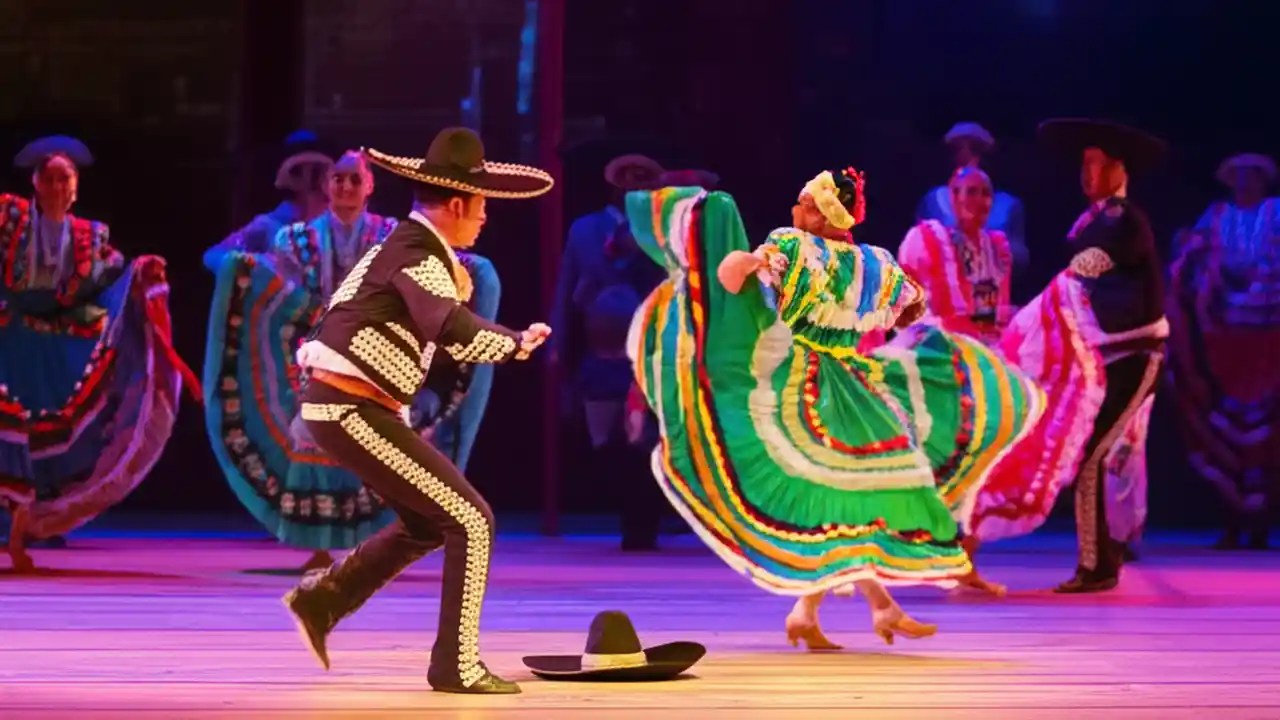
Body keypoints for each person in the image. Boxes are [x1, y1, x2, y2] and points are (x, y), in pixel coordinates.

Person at [628, 167, 1040, 650]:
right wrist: (868, 312)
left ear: (824, 213)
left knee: (842, 498)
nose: (794, 211)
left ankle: (818, 611)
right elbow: (911, 306)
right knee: (851, 496)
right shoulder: (874, 262)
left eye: (803, 203)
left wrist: (740, 266)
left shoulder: (792, 246)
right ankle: (872, 608)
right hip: (852, 381)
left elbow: (730, 277)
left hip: (804, 382)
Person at [281, 127, 554, 694]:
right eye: (481, 206)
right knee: (473, 521)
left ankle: (325, 599)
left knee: (430, 522)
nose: (484, 218)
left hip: (352, 407)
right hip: (348, 406)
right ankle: (455, 664)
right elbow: (450, 329)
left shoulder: (415, 248)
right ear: (457, 203)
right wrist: (514, 343)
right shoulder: (415, 251)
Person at [973, 119, 1169, 594]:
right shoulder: (1094, 220)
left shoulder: (1122, 219)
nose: (1087, 173)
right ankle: (1103, 560)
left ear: (1118, 169)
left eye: (1096, 164)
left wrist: (1025, 321)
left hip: (1134, 353)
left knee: (1096, 455)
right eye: (1083, 165)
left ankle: (1099, 565)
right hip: (1104, 355)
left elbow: (1080, 275)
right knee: (1095, 454)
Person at [0, 135, 198, 572]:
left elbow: (115, 284)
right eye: (48, 178)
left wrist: (145, 272)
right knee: (11, 428)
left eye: (64, 179)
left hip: (60, 348)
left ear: (76, 189)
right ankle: (12, 527)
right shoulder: (10, 218)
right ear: (34, 183)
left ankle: (40, 523)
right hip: (13, 342)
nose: (56, 187)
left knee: (50, 436)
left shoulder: (91, 237)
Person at [203, 150, 399, 571]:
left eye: (353, 179)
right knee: (316, 441)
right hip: (315, 355)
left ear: (370, 186)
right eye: (337, 179)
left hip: (370, 356)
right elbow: (269, 280)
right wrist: (245, 269)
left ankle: (357, 541)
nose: (344, 187)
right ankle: (322, 544)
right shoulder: (293, 237)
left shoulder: (389, 237)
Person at [551, 153, 668, 549]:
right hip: (601, 354)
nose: (633, 189)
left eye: (642, 183)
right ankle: (625, 514)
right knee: (605, 443)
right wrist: (556, 346)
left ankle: (643, 528)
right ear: (613, 187)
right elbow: (566, 287)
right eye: (626, 183)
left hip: (650, 357)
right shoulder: (585, 231)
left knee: (647, 441)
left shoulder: (663, 233)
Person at [1168, 152, 1280, 549]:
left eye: (1253, 176)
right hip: (1223, 343)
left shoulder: (1276, 212)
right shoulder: (1216, 216)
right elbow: (1189, 261)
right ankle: (1233, 519)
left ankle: (1262, 522)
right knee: (1224, 428)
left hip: (1269, 342)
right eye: (1239, 176)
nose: (1245, 182)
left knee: (1267, 434)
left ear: (1264, 181)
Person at [899, 166, 1015, 345]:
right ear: (954, 197)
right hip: (937, 346)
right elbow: (908, 306)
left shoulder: (995, 248)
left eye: (986, 193)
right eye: (971, 192)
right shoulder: (927, 239)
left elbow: (988, 316)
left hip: (983, 349)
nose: (980, 201)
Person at [202, 130, 333, 271]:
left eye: (319, 171)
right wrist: (254, 266)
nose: (313, 180)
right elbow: (213, 255)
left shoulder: (335, 225)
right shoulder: (270, 225)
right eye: (302, 171)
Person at [916, 122, 1028, 276]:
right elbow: (917, 252)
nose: (966, 157)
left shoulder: (1007, 204)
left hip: (991, 289)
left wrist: (988, 244)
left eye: (973, 150)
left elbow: (1021, 259)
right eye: (958, 150)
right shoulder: (935, 199)